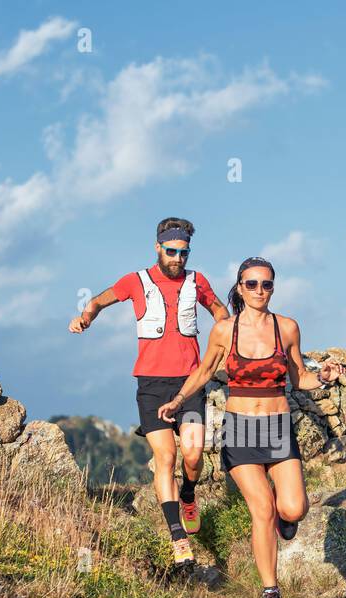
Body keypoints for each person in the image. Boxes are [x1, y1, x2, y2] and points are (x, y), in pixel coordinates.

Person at [157, 256, 342, 598]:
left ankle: (287, 521)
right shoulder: (225, 330)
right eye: (252, 284)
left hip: (277, 429)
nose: (260, 290)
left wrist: (323, 378)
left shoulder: (286, 327)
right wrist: (178, 399)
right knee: (262, 508)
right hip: (240, 431)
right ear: (240, 287)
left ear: (273, 287)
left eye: (267, 284)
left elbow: (299, 377)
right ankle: (270, 592)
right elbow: (205, 369)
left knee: (293, 507)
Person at [69, 218, 229, 570]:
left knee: (192, 454)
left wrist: (226, 328)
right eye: (171, 251)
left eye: (183, 253)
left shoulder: (196, 281)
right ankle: (179, 540)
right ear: (158, 247)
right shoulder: (136, 281)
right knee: (166, 457)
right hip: (151, 385)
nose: (177, 258)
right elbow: (99, 300)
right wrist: (85, 317)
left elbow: (219, 309)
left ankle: (188, 494)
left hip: (190, 383)